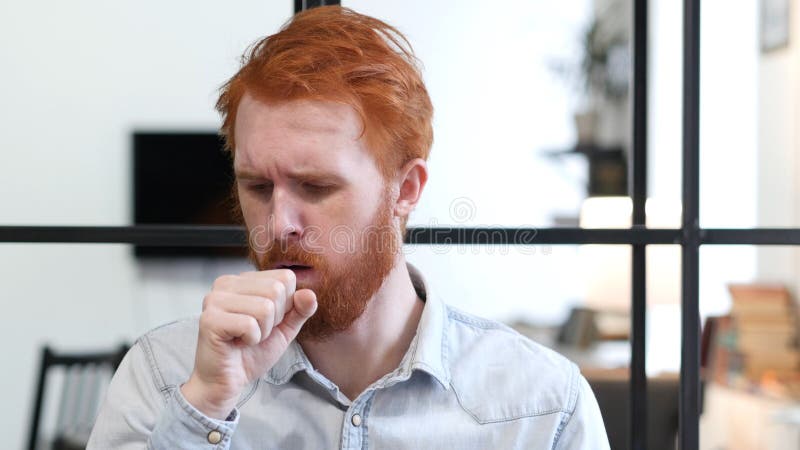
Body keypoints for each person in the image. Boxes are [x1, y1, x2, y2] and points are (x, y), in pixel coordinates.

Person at [88, 6, 609, 449]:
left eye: (315, 187)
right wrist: (204, 408)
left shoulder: (541, 407)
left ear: (405, 190)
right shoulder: (164, 377)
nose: (279, 223)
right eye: (258, 187)